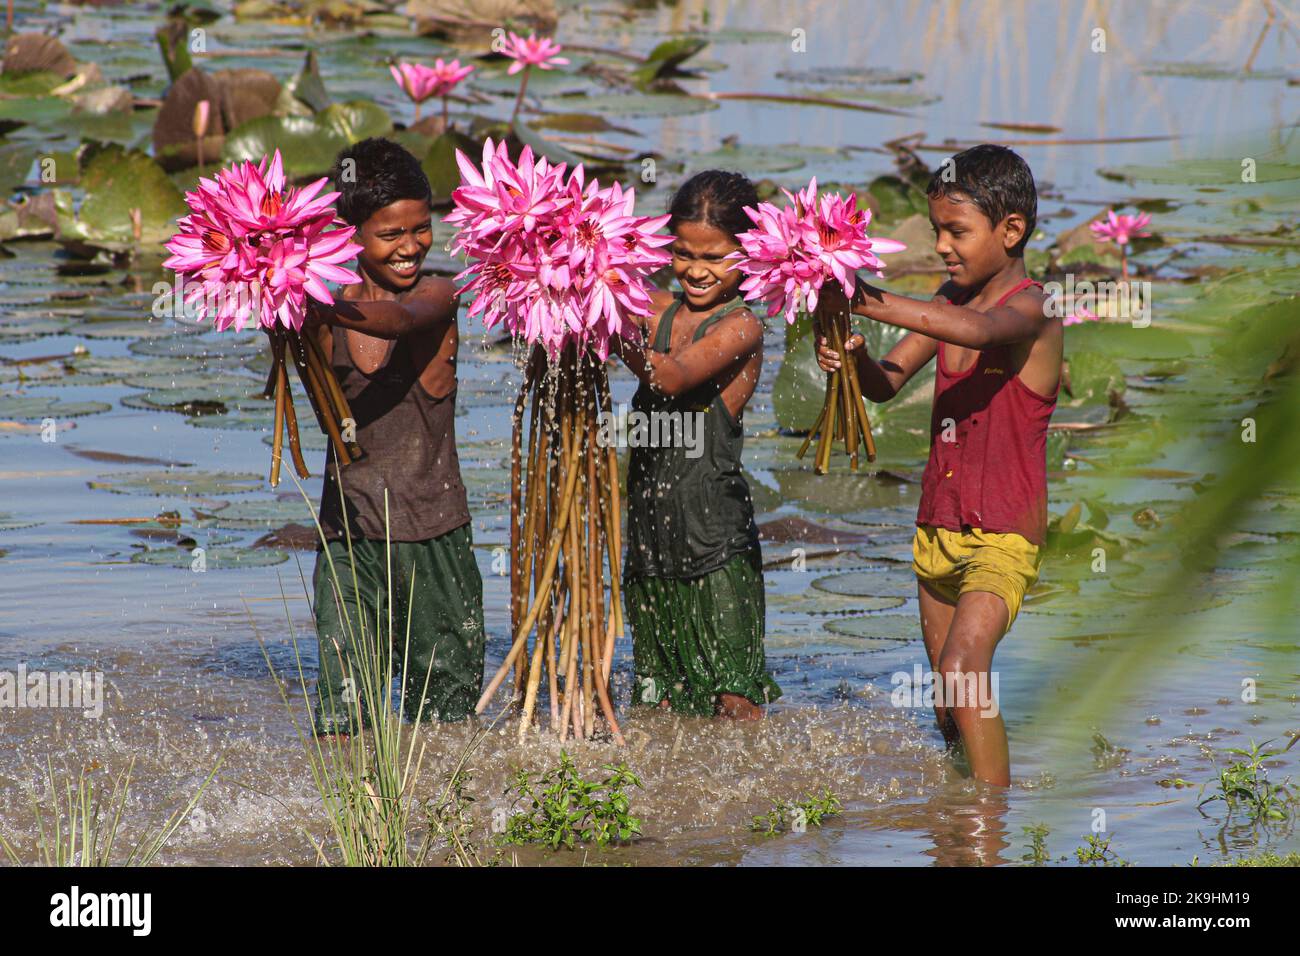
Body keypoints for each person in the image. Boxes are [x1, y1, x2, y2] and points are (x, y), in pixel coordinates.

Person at [817, 144, 1060, 785]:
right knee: (948, 705)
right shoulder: (949, 299)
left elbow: (980, 334)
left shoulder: (1036, 309)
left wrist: (865, 297)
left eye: (958, 231)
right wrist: (857, 354)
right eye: (936, 232)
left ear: (1012, 230)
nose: (944, 246)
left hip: (1003, 534)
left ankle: (990, 828)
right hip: (937, 530)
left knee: (961, 672)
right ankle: (952, 825)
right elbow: (887, 383)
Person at [303, 137, 484, 736]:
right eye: (391, 235)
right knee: (341, 716)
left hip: (432, 538)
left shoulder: (438, 294)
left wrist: (315, 304)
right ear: (350, 236)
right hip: (348, 540)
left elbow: (400, 320)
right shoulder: (318, 315)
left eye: (421, 229)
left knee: (444, 722)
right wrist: (287, 310)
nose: (411, 247)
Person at [612, 170, 782, 721]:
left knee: (734, 697)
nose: (696, 270)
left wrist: (609, 328)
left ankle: (753, 802)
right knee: (656, 697)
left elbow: (673, 376)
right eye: (683, 254)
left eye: (715, 258)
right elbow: (606, 289)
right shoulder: (656, 308)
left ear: (750, 253)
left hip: (715, 540)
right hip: (650, 536)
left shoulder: (742, 327)